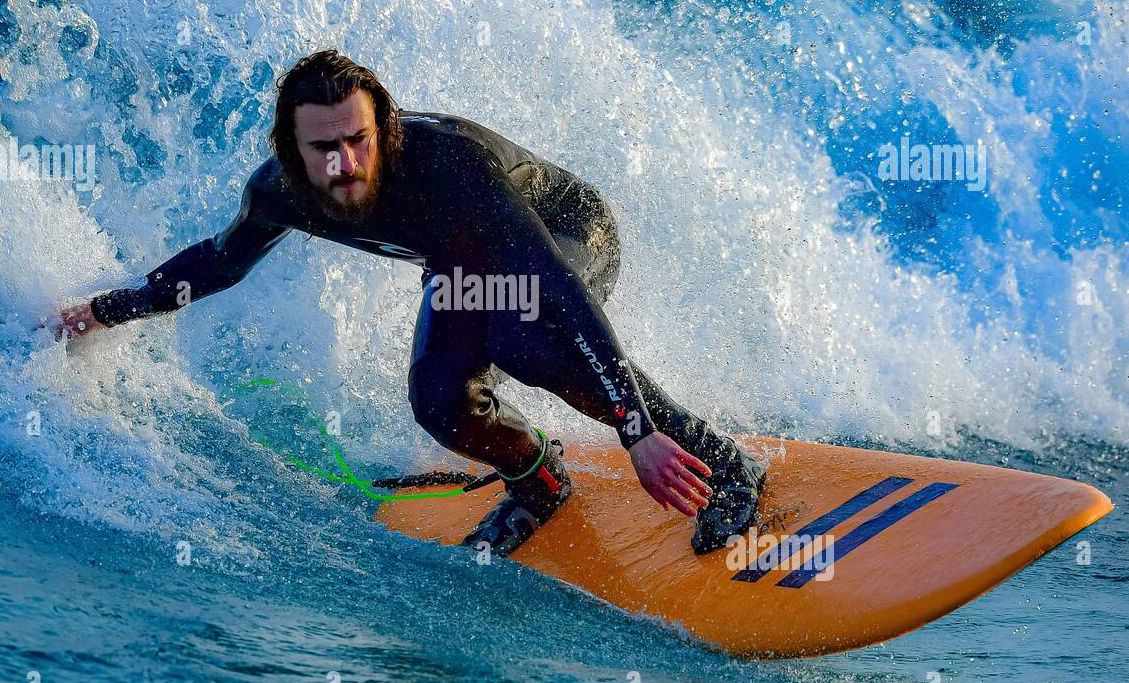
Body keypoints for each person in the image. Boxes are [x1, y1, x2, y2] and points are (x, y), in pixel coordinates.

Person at [47, 50, 766, 556]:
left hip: (568, 238)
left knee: (520, 338)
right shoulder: (282, 192)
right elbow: (220, 264)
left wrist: (634, 428)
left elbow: (558, 287)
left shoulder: (448, 165)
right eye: (323, 147)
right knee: (439, 399)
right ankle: (539, 480)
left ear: (383, 129)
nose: (346, 164)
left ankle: (726, 463)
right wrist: (108, 309)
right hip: (467, 265)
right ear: (290, 147)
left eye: (359, 141)